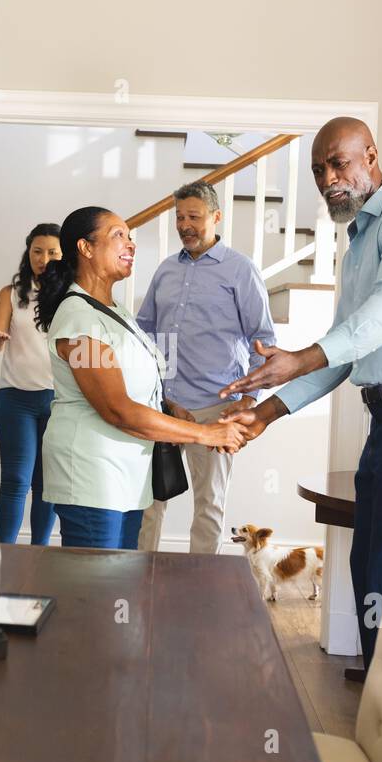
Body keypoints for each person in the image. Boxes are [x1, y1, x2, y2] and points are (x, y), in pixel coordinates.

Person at [219, 117, 382, 676]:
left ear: (371, 155)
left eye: (339, 163)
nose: (328, 178)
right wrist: (264, 413)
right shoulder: (357, 242)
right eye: (318, 169)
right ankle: (381, 699)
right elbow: (345, 353)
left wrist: (300, 357)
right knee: (367, 563)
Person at [36, 206, 249, 551]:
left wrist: (169, 407)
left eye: (130, 236)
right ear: (86, 248)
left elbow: (131, 382)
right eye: (118, 235)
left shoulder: (114, 311)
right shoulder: (78, 319)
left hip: (128, 480)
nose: (130, 244)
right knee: (97, 591)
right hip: (94, 480)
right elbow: (117, 409)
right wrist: (205, 433)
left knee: (119, 582)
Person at [136, 180, 276, 554]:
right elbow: (145, 331)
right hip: (165, 407)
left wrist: (250, 398)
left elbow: (262, 339)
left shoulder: (240, 270)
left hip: (216, 408)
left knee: (209, 505)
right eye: (179, 217)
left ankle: (200, 589)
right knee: (149, 502)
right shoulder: (165, 270)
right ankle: (140, 576)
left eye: (194, 216)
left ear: (216, 217)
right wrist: (158, 391)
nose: (185, 225)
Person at [0, 224, 61, 544]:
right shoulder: (11, 294)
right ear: (28, 253)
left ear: (64, 255)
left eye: (52, 252)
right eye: (37, 251)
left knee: (47, 485)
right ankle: (4, 555)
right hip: (14, 400)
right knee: (16, 480)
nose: (44, 258)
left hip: (58, 401)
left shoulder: (71, 296)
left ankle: (39, 554)